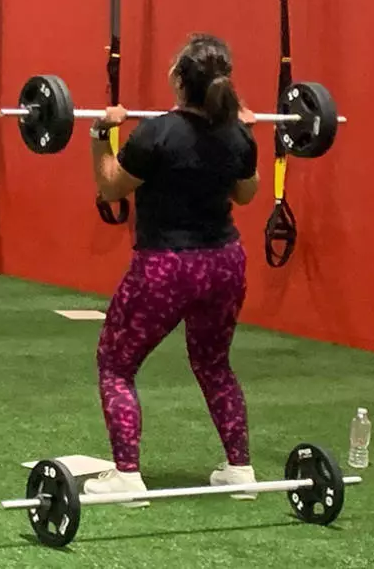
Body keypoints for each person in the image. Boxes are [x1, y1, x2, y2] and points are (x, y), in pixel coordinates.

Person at [82, 33, 260, 505]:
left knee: (116, 364)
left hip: (166, 268)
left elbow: (111, 189)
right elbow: (246, 194)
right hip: (224, 265)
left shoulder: (155, 133)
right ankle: (240, 470)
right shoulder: (237, 134)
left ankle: (126, 476)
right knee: (214, 363)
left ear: (180, 80)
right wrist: (247, 136)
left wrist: (100, 134)